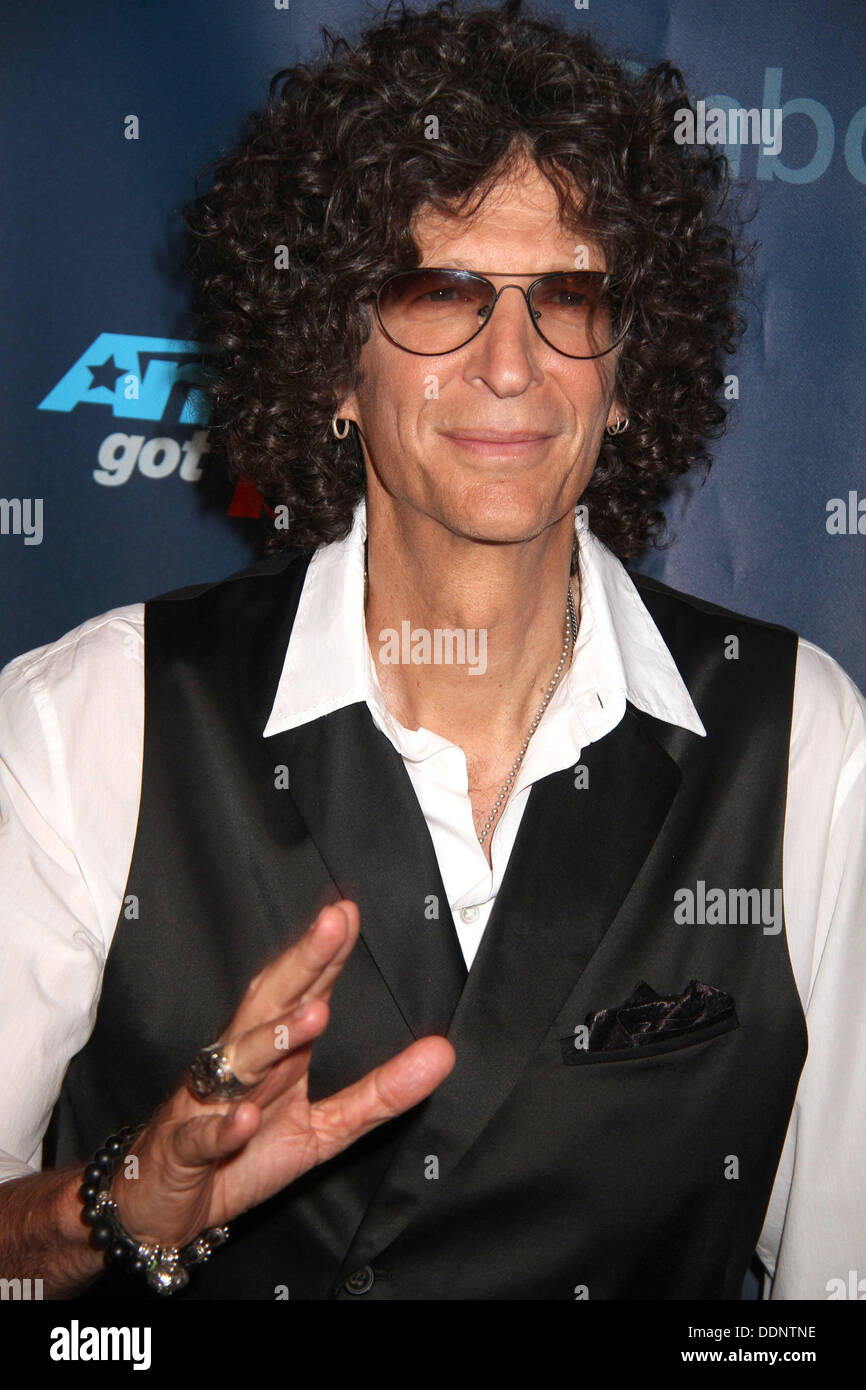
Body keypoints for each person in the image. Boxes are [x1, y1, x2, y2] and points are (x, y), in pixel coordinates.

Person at [0, 0, 863, 1302]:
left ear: (625, 369)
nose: (509, 363)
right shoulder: (95, 718)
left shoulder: (796, 741)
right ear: (332, 364)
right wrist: (123, 1204)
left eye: (566, 298)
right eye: (436, 294)